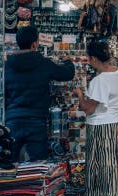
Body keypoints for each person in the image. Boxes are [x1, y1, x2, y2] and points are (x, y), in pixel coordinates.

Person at [75, 40, 118, 196]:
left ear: (93, 58)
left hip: (102, 129)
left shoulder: (99, 81)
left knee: (103, 172)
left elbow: (89, 109)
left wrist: (80, 96)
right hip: (117, 126)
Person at [5, 26, 75, 162]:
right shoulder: (43, 63)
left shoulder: (7, 65)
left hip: (12, 120)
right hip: (36, 121)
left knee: (10, 165)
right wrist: (68, 61)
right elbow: (67, 73)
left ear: (18, 42)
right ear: (34, 44)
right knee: (39, 165)